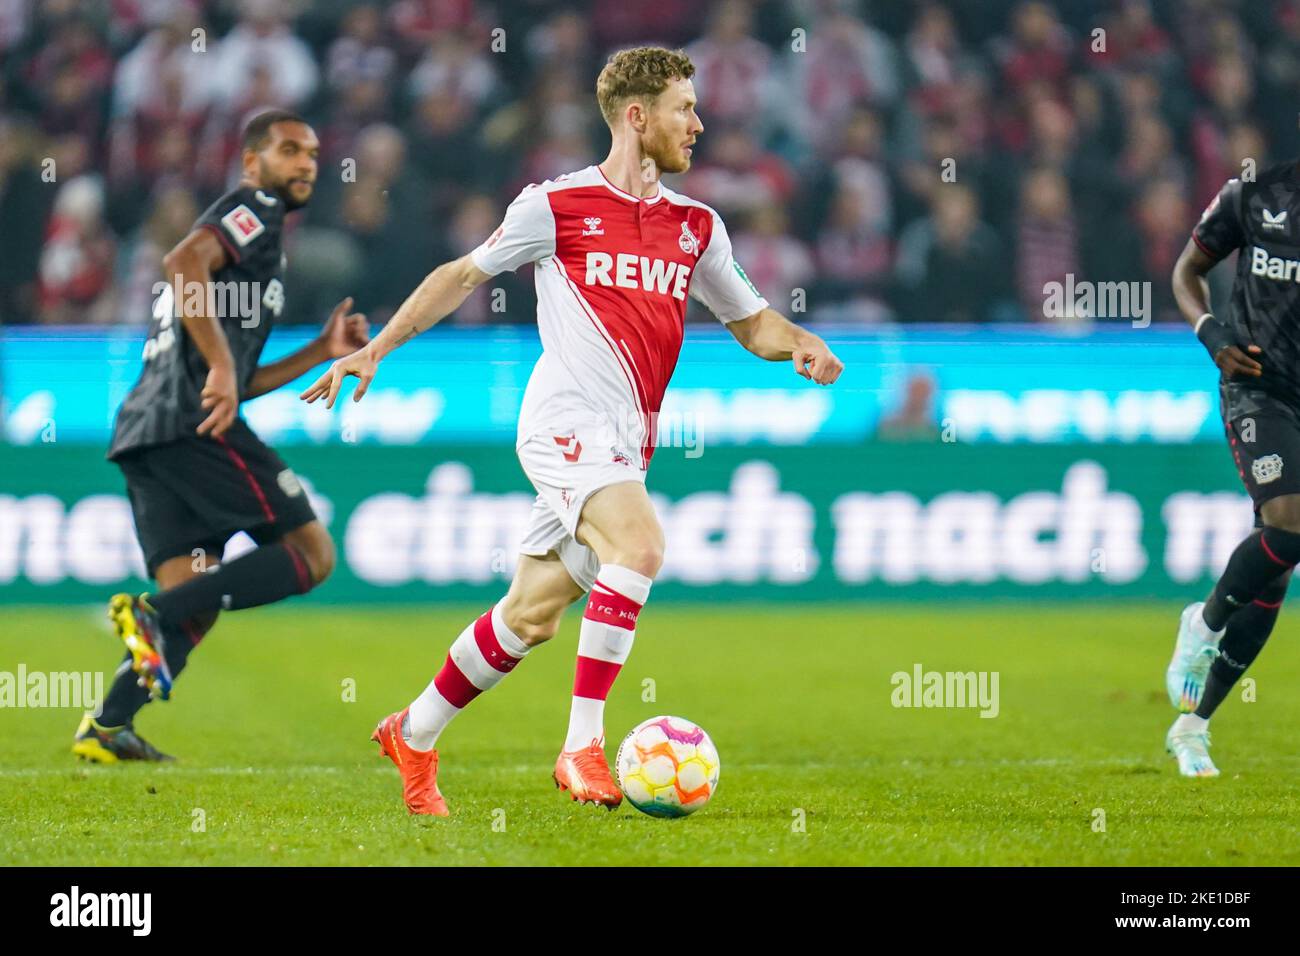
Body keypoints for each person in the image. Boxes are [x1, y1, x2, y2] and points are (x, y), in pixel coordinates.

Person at [302, 47, 843, 816]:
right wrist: (376, 348)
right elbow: (463, 275)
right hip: (562, 421)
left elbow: (751, 322)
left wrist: (801, 344)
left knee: (531, 616)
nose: (698, 123)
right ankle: (581, 745)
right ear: (636, 116)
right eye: (684, 108)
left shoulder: (697, 227)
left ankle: (413, 732)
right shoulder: (555, 206)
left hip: (627, 443)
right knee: (641, 547)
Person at [73, 110, 369, 763]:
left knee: (194, 599)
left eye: (314, 155)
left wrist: (318, 350)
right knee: (312, 553)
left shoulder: (261, 250)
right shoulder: (253, 209)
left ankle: (107, 727)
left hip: (147, 430)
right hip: (191, 424)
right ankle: (148, 612)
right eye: (289, 150)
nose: (305, 164)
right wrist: (224, 369)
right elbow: (182, 264)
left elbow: (235, 374)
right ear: (252, 163)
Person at [1166, 160, 1300, 777]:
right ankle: (1205, 619)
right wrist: (1212, 332)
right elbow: (1187, 272)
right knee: (1291, 523)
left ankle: (1193, 726)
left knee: (1275, 569)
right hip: (1258, 388)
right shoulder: (1251, 196)